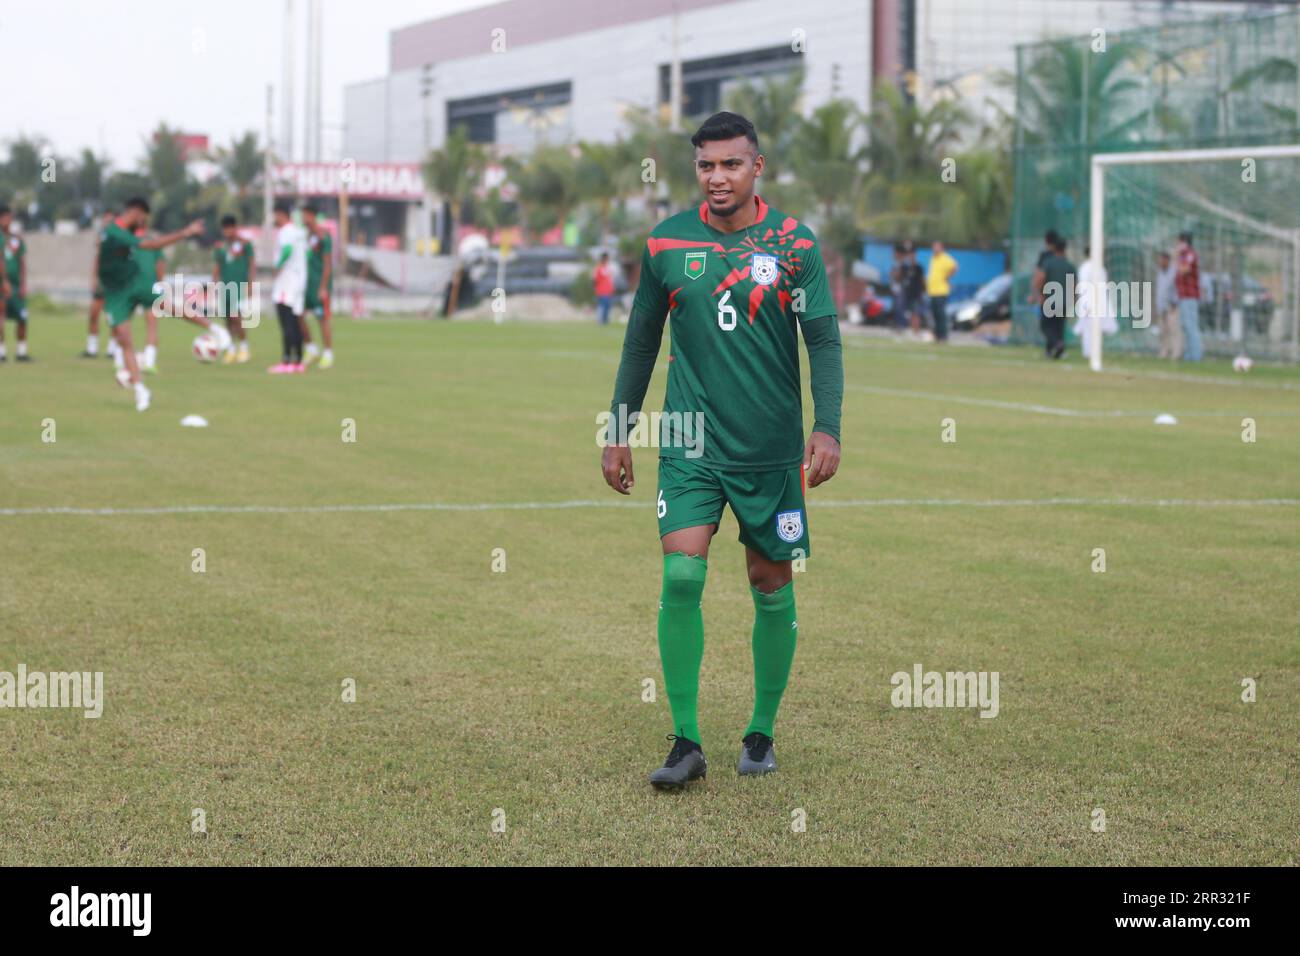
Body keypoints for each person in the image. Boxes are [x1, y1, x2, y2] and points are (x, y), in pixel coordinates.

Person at [601, 111, 843, 790]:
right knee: (681, 576)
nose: (717, 177)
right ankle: (685, 741)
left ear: (757, 166)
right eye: (706, 165)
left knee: (770, 584)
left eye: (731, 164)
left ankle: (761, 731)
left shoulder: (796, 244)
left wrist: (828, 427)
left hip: (768, 447)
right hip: (687, 440)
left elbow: (822, 340)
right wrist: (618, 428)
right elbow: (640, 343)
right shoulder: (665, 244)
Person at [97, 198, 204, 411]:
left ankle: (141, 381)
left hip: (136, 286)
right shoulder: (117, 232)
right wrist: (185, 233)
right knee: (123, 337)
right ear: (137, 212)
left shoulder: (121, 234)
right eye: (144, 217)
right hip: (116, 292)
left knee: (159, 313)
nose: (144, 222)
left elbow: (158, 258)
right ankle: (139, 385)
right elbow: (151, 246)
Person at [269, 202, 308, 374]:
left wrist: (277, 266)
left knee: (287, 321)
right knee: (295, 319)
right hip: (299, 280)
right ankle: (298, 361)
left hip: (287, 281)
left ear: (280, 214)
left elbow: (287, 250)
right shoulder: (299, 232)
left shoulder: (285, 232)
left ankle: (286, 361)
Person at [213, 215, 254, 364]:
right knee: (228, 319)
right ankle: (231, 349)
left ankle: (244, 347)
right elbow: (217, 266)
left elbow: (251, 265)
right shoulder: (221, 247)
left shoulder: (245, 244)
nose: (227, 231)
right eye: (225, 228)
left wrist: (250, 285)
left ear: (235, 228)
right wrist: (214, 283)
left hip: (239, 286)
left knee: (237, 318)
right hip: (225, 286)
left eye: (230, 228)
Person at [300, 204, 334, 369]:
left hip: (319, 285)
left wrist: (323, 287)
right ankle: (311, 348)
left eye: (305, 215)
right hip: (305, 285)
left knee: (322, 319)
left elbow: (327, 263)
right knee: (298, 315)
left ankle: (328, 353)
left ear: (312, 216)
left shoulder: (323, 236)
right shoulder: (304, 236)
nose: (303, 219)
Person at [132, 225, 167, 374]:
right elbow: (160, 266)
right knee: (152, 325)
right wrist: (159, 283)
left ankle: (121, 361)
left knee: (123, 324)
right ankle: (149, 362)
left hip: (131, 287)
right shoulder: (153, 244)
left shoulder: (129, 242)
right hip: (147, 287)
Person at [1073, 245, 1117, 361]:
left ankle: (1091, 352)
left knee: (1091, 329)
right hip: (1095, 303)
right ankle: (1090, 352)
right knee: (1091, 329)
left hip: (1093, 302)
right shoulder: (1093, 268)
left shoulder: (1091, 267)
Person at [1033, 234, 1073, 359]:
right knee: (1058, 327)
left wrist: (1039, 294)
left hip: (1050, 300)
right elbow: (1075, 285)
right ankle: (1054, 351)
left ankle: (1057, 344)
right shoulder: (1069, 265)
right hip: (1064, 301)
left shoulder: (1048, 263)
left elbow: (1040, 279)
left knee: (1045, 326)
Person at [0, 205, 30, 362]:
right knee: (1, 317)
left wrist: (24, 284)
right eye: (4, 217)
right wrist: (4, 281)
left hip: (16, 284)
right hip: (1, 285)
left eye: (9, 217)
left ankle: (22, 352)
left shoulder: (16, 239)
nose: (7, 220)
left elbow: (22, 262)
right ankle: (2, 353)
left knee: (22, 317)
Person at [83, 210, 115, 359]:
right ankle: (92, 349)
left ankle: (112, 349)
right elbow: (98, 257)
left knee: (113, 317)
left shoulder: (119, 239)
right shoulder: (102, 237)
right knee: (93, 314)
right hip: (102, 281)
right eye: (106, 221)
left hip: (114, 281)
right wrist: (93, 278)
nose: (107, 223)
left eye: (110, 221)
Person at [1175, 231, 1202, 362]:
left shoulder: (1190, 254)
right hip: (1183, 296)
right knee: (1186, 326)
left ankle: (1195, 355)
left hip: (1190, 297)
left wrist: (1177, 256)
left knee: (1191, 326)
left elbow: (1184, 269)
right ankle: (1189, 355)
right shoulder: (1183, 256)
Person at [925, 240, 957, 342]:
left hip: (941, 291)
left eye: (937, 247)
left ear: (942, 248)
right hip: (932, 291)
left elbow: (954, 267)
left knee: (940, 315)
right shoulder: (933, 258)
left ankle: (943, 336)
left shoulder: (945, 258)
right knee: (934, 315)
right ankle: (937, 336)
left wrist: (947, 277)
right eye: (934, 247)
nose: (935, 249)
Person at [1154, 250, 1180, 360]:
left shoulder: (1174, 272)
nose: (1160, 262)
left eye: (1162, 260)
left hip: (1171, 306)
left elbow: (1177, 288)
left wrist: (1174, 302)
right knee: (1163, 331)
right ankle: (1163, 352)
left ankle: (1176, 353)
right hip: (1161, 306)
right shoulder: (1160, 273)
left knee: (1173, 330)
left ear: (1167, 260)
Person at [593, 251, 615, 326]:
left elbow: (609, 280)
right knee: (602, 306)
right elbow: (595, 280)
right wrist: (596, 289)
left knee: (608, 306)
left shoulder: (607, 268)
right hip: (601, 291)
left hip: (608, 292)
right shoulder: (599, 268)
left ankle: (605, 321)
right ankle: (600, 321)